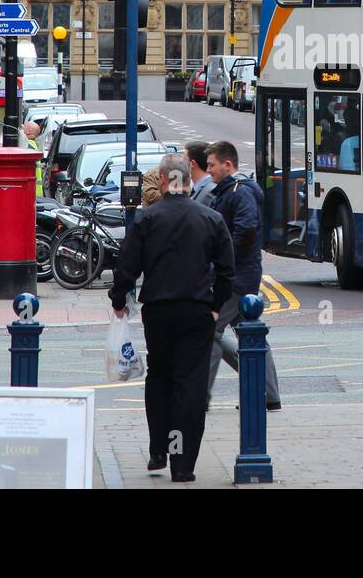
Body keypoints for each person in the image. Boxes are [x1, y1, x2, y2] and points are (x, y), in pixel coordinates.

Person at [109, 152, 235, 483]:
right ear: (190, 181)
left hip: (159, 312)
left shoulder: (148, 220)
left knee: (160, 378)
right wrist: (217, 304)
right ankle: (182, 464)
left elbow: (127, 266)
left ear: (164, 181)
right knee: (189, 386)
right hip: (196, 312)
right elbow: (227, 268)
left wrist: (119, 299)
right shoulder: (209, 218)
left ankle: (157, 450)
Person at [205, 140, 281, 411]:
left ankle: (200, 398)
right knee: (250, 335)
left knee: (210, 330)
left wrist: (225, 263)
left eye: (212, 165)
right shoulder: (229, 191)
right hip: (239, 275)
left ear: (228, 164)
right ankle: (267, 393)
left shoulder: (239, 192)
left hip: (237, 278)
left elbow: (246, 231)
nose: (209, 169)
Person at [186, 141, 216, 208]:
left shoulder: (210, 192)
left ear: (192, 164)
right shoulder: (194, 186)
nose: (181, 163)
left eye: (184, 160)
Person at [22, 122, 44, 187]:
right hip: (35, 191)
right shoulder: (33, 145)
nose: (22, 127)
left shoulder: (27, 146)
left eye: (24, 126)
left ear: (29, 131)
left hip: (31, 190)